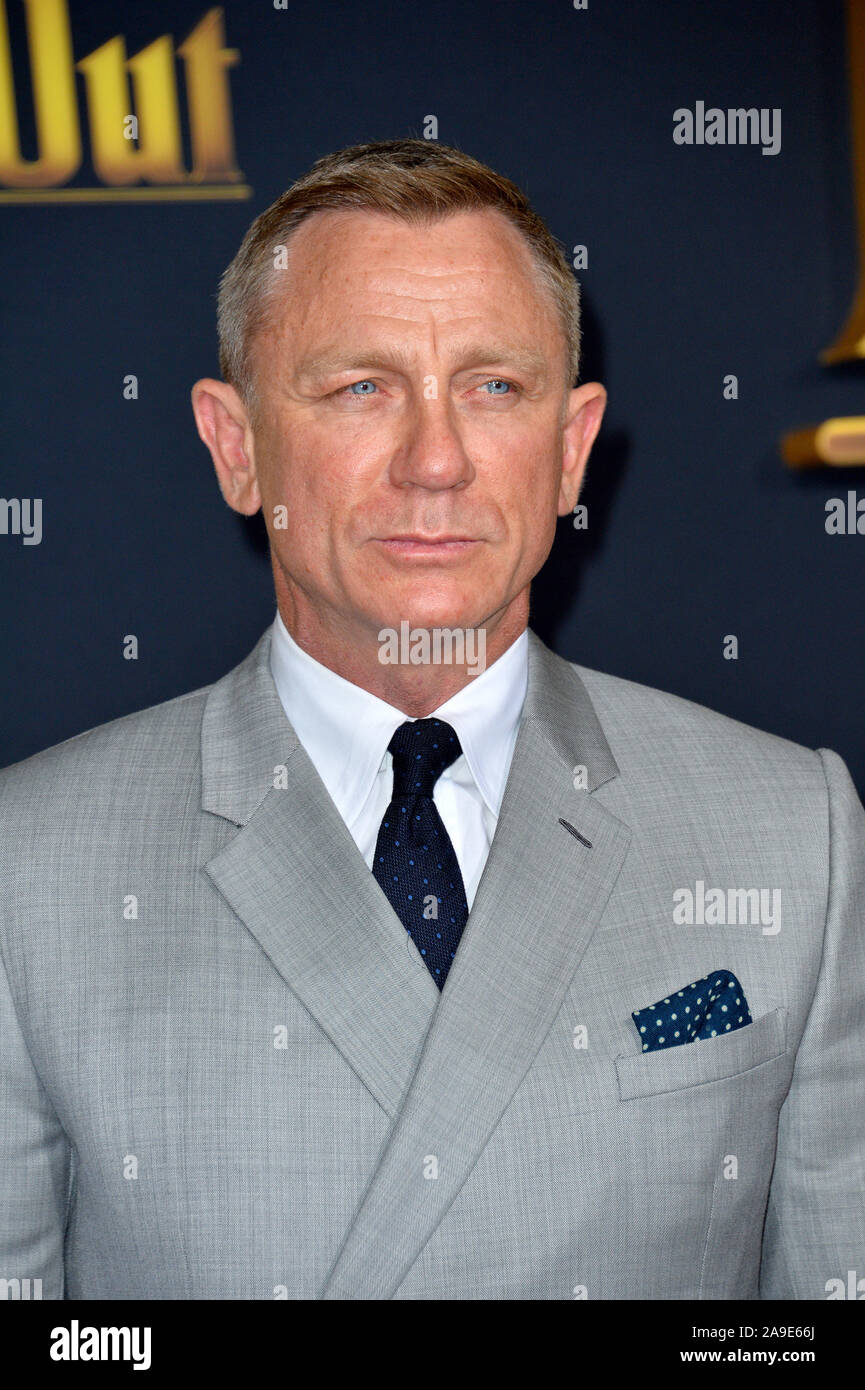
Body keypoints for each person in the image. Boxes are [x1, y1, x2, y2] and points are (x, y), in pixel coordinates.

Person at [1, 139, 862, 1301]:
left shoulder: (792, 839)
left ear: (570, 451)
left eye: (494, 387)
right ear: (237, 446)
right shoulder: (30, 869)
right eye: (362, 387)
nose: (437, 460)